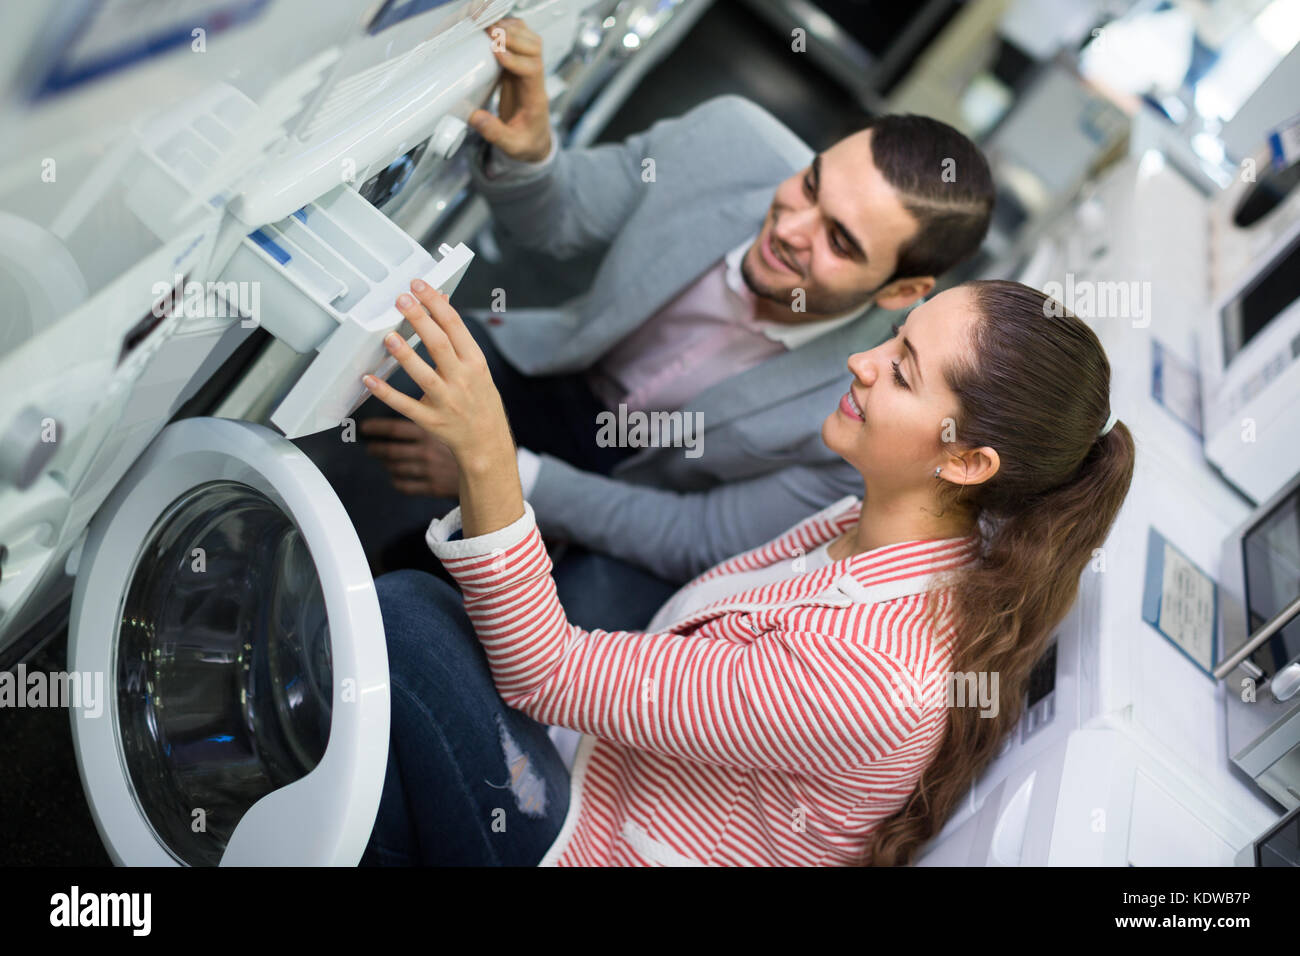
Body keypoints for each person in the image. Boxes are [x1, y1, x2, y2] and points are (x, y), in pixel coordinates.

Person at [355, 274, 1136, 867]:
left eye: (902, 372)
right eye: (894, 339)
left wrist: (487, 451)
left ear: (966, 461)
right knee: (391, 743)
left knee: (412, 619)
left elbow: (544, 673)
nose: (863, 362)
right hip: (599, 774)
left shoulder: (877, 678)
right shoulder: (877, 526)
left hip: (592, 845)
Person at [350, 17, 996, 631]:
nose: (789, 230)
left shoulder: (870, 406)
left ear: (903, 291)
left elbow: (697, 535)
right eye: (811, 184)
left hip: (647, 480)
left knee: (535, 610)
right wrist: (533, 155)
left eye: (840, 242)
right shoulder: (728, 141)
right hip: (561, 368)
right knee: (379, 362)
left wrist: (501, 471)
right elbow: (559, 219)